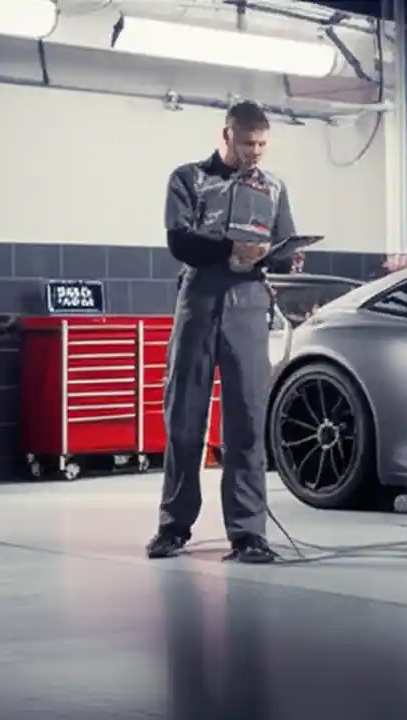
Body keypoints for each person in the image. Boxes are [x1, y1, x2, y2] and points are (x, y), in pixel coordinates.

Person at [146, 101, 302, 564]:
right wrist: (232, 248)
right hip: (198, 302)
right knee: (183, 418)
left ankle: (248, 533)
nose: (256, 151)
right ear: (227, 135)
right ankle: (173, 526)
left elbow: (283, 245)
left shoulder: (274, 188)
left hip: (249, 305)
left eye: (263, 144)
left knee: (247, 421)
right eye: (249, 142)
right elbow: (180, 241)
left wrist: (285, 256)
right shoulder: (189, 179)